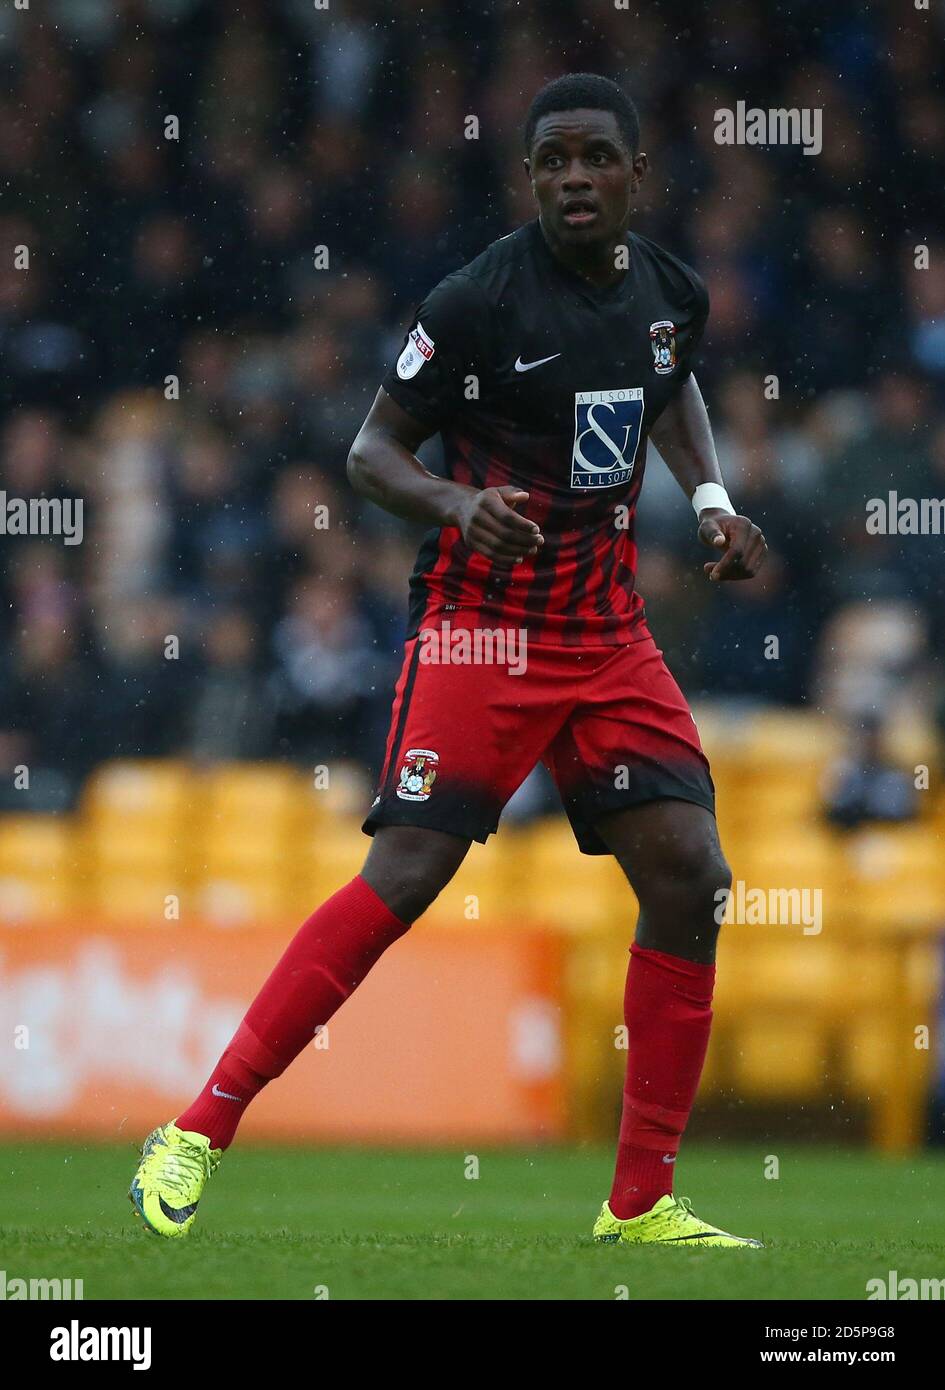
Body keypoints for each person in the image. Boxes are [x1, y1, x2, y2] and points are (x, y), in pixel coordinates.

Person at [130, 73, 767, 1249]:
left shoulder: (673, 290)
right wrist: (454, 505)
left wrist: (715, 498)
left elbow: (669, 389)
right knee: (409, 873)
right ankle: (194, 1132)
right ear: (529, 178)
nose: (575, 177)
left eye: (595, 158)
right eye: (553, 161)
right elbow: (372, 452)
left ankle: (641, 1206)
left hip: (607, 629)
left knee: (691, 870)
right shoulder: (476, 301)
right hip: (483, 626)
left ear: (636, 173)